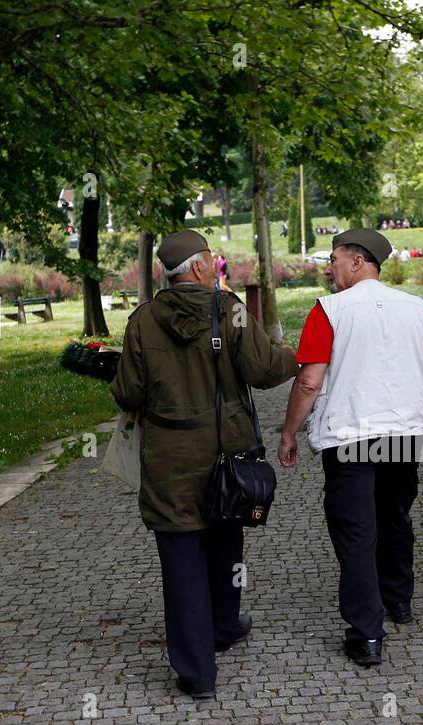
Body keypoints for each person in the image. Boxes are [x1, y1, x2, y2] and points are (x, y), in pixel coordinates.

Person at [111, 230, 296, 700]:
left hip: (169, 461)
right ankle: (223, 625)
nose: (216, 266)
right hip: (226, 453)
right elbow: (263, 370)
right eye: (211, 259)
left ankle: (196, 672)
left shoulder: (143, 321)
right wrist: (296, 356)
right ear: (197, 268)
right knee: (224, 537)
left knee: (181, 558)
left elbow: (129, 393)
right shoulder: (230, 309)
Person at [278, 228, 423, 668]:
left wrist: (289, 431)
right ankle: (399, 601)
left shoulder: (328, 310)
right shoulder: (415, 307)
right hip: (405, 434)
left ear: (356, 261)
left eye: (333, 260)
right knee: (395, 518)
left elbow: (310, 381)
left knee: (356, 532)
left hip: (351, 438)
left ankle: (368, 634)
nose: (328, 269)